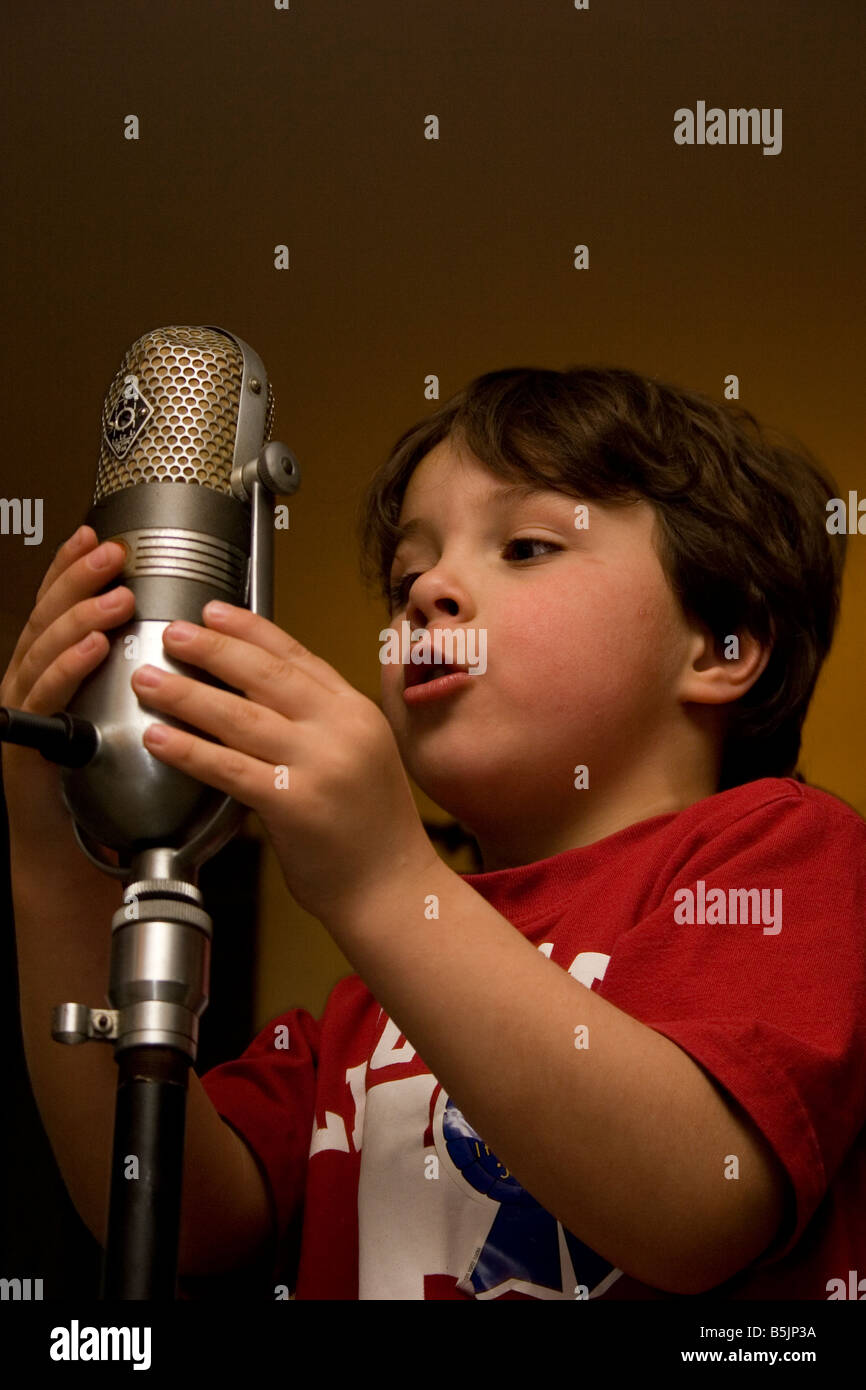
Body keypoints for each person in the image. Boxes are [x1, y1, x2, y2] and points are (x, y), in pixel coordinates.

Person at [5, 365, 865, 1300]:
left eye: (528, 546)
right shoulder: (362, 1012)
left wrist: (380, 882)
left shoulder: (784, 855)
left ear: (722, 643)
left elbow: (702, 1202)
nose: (428, 593)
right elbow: (173, 1216)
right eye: (406, 575)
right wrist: (54, 856)